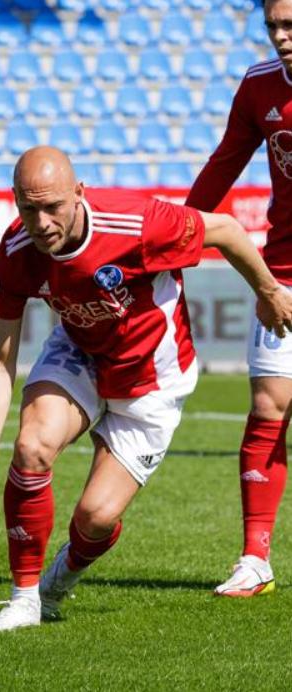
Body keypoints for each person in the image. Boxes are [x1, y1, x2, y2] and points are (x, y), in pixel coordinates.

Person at [0, 146, 292, 631]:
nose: (41, 222)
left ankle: (59, 580)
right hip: (80, 353)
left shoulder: (137, 224)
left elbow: (226, 230)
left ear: (79, 193)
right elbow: (0, 357)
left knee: (96, 518)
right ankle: (24, 600)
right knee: (31, 447)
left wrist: (268, 291)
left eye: (53, 207)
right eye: (29, 209)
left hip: (152, 378)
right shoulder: (16, 252)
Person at [183, 0, 292, 598]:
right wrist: (177, 233)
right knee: (269, 409)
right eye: (273, 25)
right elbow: (225, 162)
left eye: (291, 25)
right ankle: (255, 558)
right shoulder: (258, 87)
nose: (280, 36)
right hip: (283, 273)